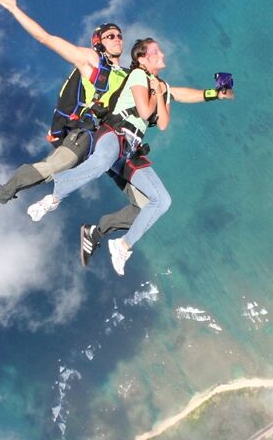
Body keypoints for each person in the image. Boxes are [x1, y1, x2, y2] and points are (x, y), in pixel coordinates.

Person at [26, 38, 233, 275]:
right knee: (101, 162)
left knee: (162, 201)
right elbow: (145, 111)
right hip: (113, 134)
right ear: (143, 58)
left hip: (129, 150)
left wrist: (214, 94)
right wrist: (156, 92)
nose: (162, 53)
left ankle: (122, 245)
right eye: (156, 51)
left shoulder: (161, 86)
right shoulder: (137, 76)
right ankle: (53, 197)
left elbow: (164, 122)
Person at [0, 0, 128, 227]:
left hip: (111, 141)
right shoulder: (91, 61)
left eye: (119, 35)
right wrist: (14, 9)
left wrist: (204, 94)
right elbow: (45, 38)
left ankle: (101, 233)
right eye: (110, 36)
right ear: (98, 43)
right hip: (85, 136)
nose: (117, 39)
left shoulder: (128, 75)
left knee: (151, 200)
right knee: (51, 167)